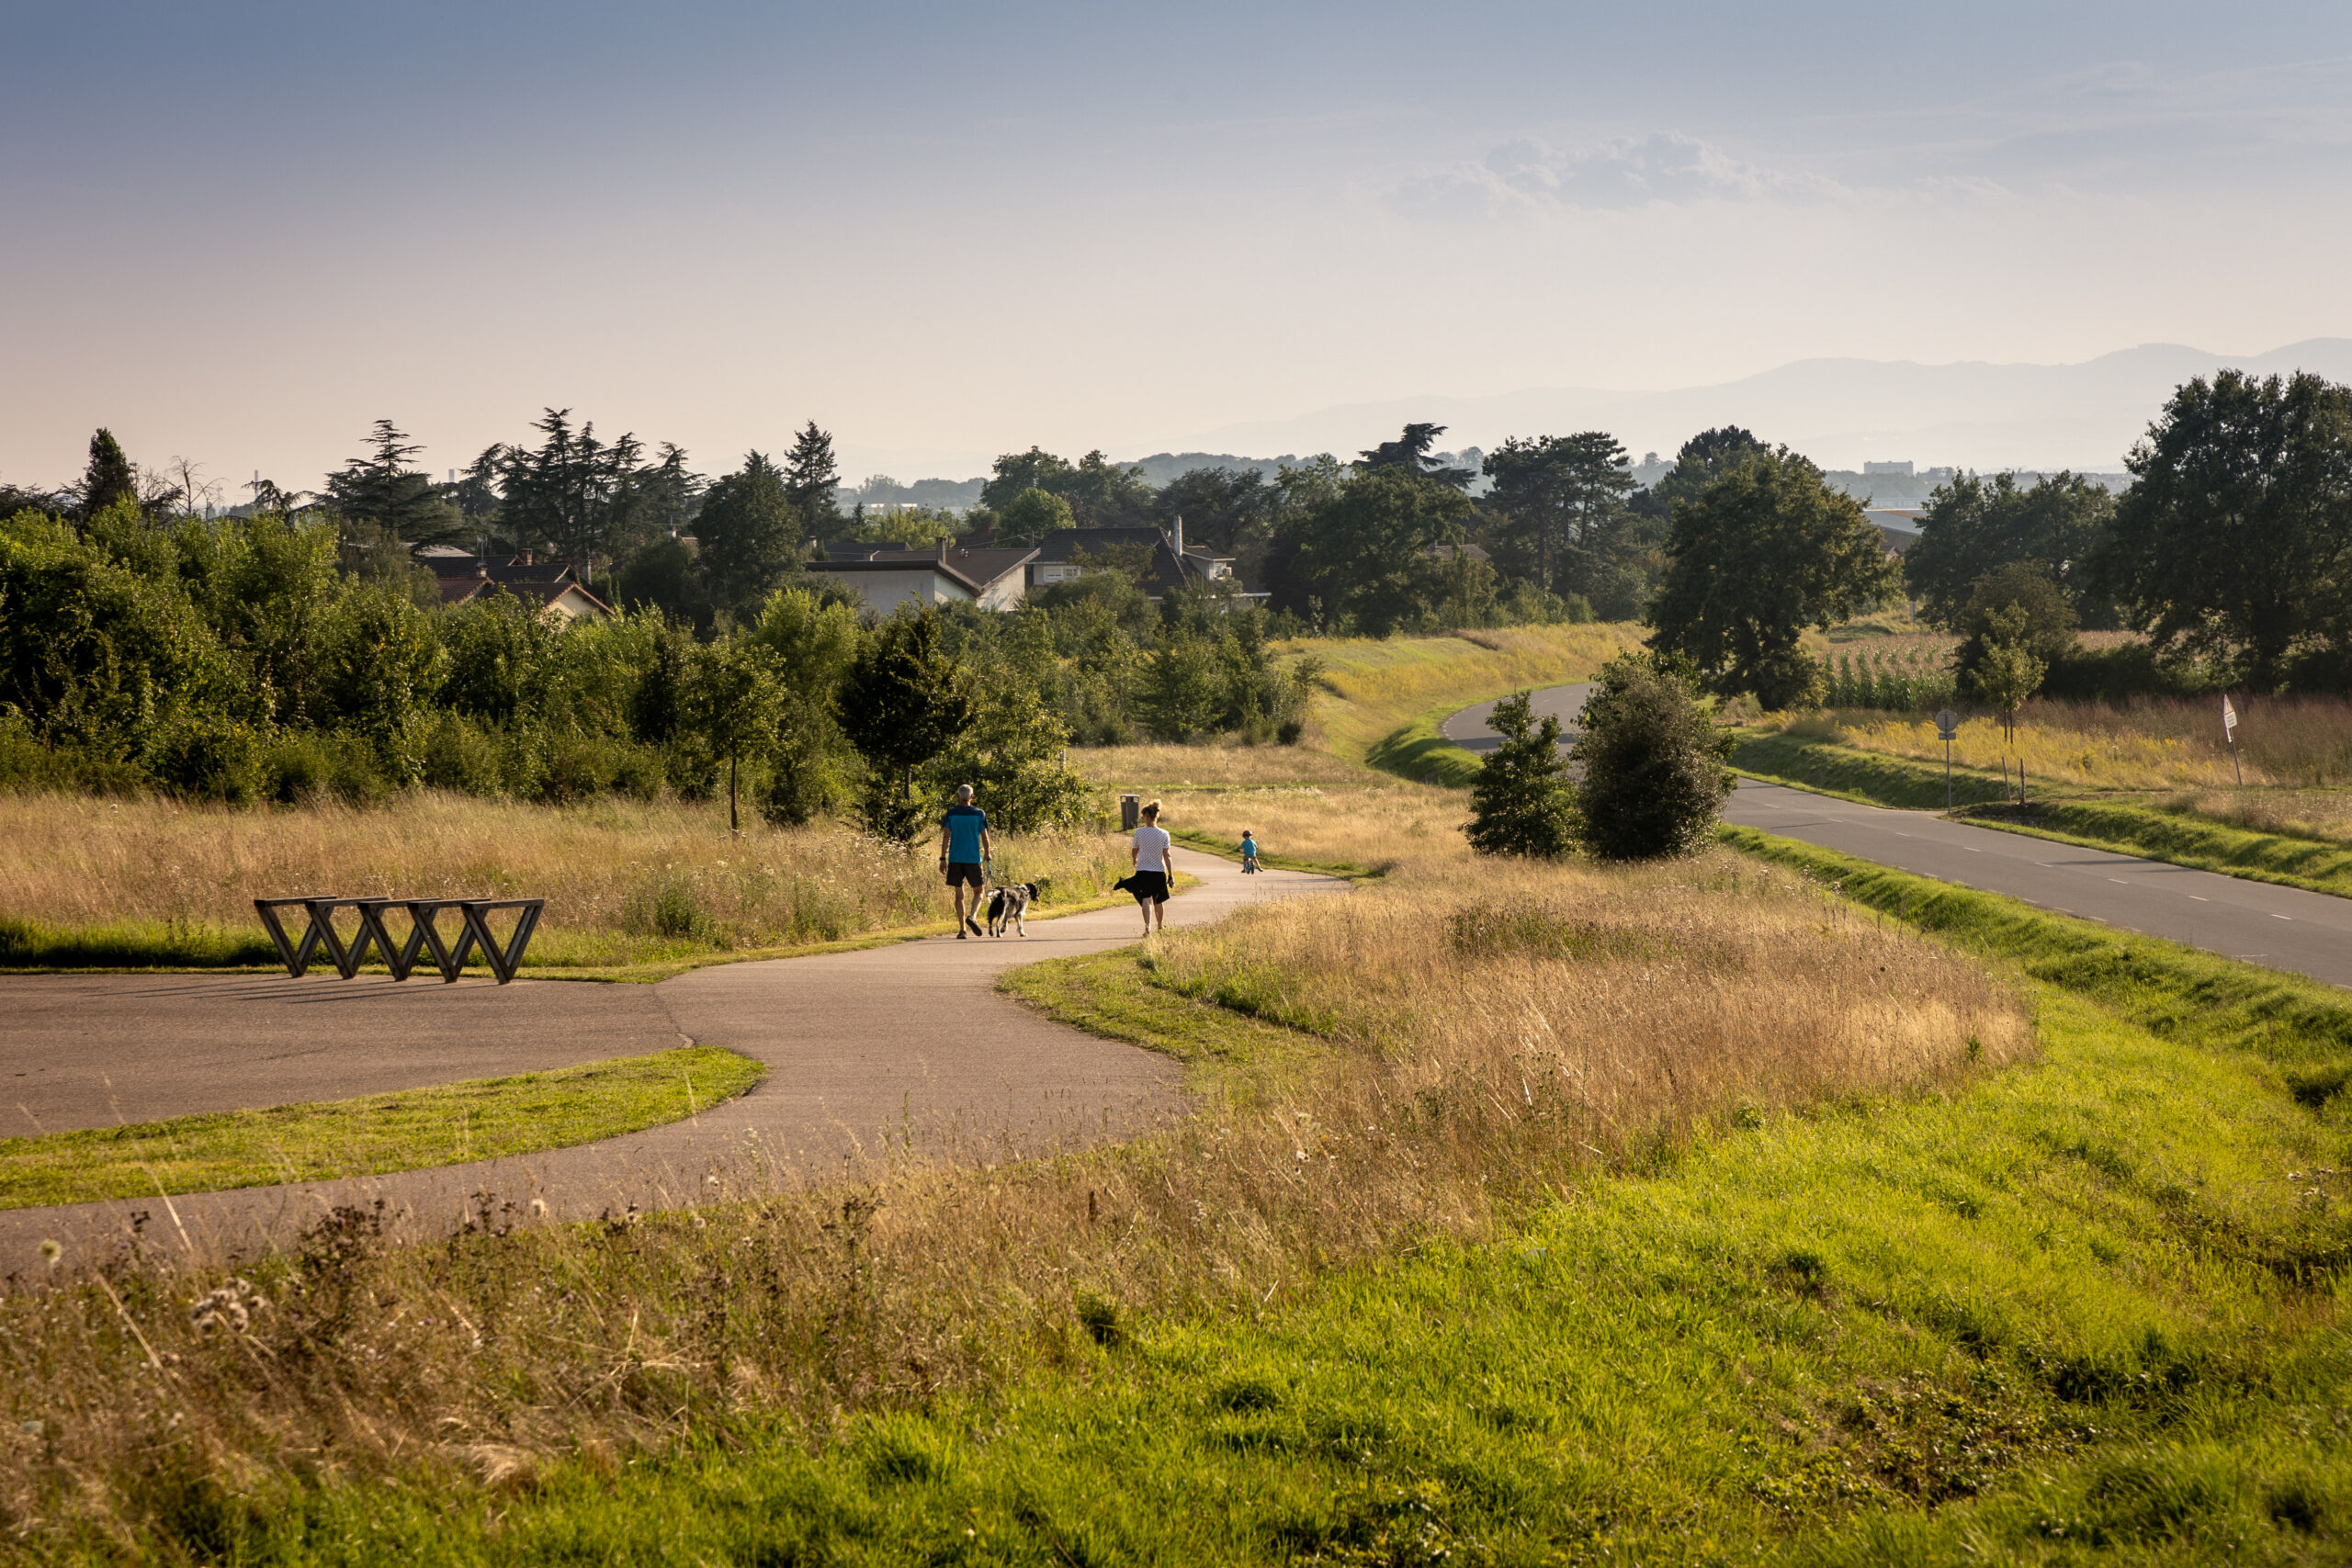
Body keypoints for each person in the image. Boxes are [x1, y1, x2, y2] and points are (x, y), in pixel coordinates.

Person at [937, 784, 992, 939]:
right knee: (979, 892)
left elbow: (946, 836)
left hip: (955, 859)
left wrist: (942, 858)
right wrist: (987, 853)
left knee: (959, 896)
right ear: (972, 797)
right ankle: (973, 916)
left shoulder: (951, 814)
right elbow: (984, 836)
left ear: (958, 797)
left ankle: (962, 929)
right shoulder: (979, 814)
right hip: (973, 859)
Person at [1129, 798, 1172, 935]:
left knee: (1146, 900)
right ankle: (1160, 925)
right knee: (1158, 900)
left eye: (1143, 817)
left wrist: (1134, 860)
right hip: (1158, 871)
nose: (1143, 819)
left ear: (1148, 817)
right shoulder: (1164, 834)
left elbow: (1134, 850)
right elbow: (1167, 855)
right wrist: (1171, 874)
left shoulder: (1139, 832)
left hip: (1142, 870)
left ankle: (1147, 927)